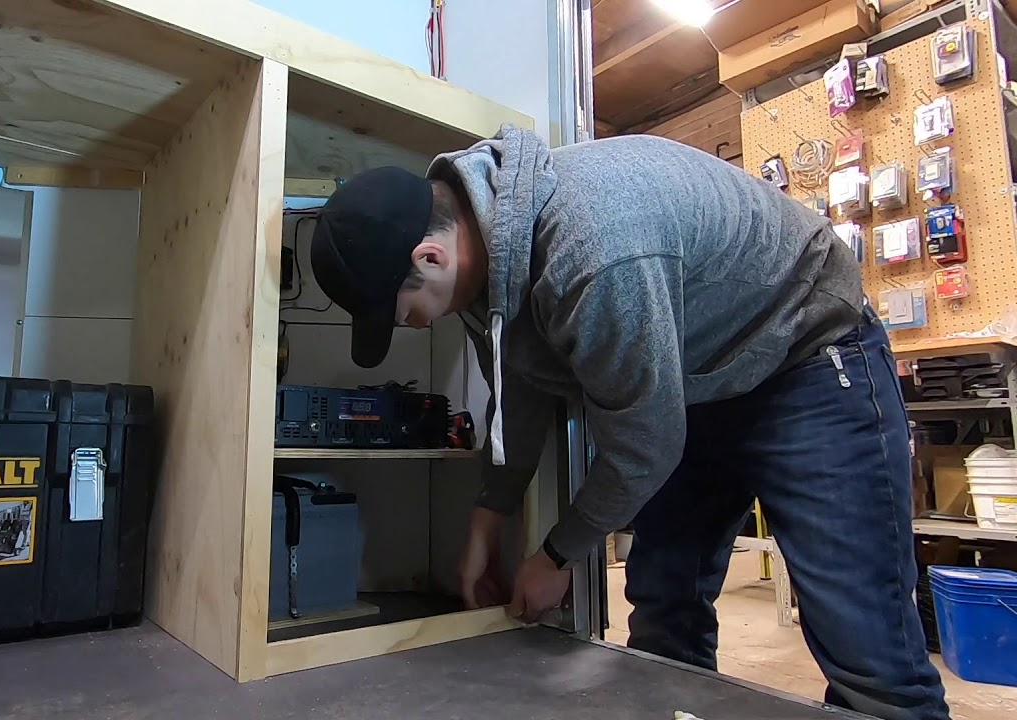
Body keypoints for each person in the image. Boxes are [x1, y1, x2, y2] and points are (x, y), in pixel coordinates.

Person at [308, 126, 950, 720]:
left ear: (430, 257)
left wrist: (559, 552)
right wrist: (487, 520)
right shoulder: (481, 270)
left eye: (401, 314)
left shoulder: (590, 251)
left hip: (807, 355)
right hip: (698, 380)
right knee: (664, 622)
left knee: (869, 656)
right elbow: (520, 392)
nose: (413, 326)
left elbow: (646, 441)